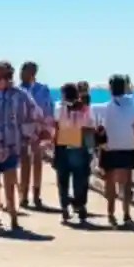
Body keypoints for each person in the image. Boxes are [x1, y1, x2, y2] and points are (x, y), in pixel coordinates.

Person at [0, 60, 42, 231]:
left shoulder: (19, 94)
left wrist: (27, 133)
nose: (4, 79)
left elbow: (35, 112)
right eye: (1, 76)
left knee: (10, 183)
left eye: (7, 76)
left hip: (11, 144)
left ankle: (13, 217)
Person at [96, 74, 134, 227]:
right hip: (128, 147)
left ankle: (111, 214)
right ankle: (127, 214)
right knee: (127, 182)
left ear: (110, 88)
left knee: (110, 181)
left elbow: (99, 129)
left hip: (110, 147)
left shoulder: (104, 108)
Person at [52, 83, 93, 223]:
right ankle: (80, 205)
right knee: (80, 178)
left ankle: (64, 207)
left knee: (63, 179)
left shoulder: (58, 108)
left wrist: (54, 147)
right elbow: (89, 128)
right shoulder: (85, 108)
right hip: (78, 143)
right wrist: (91, 149)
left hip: (62, 144)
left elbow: (55, 128)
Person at [18, 61, 52, 210]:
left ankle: (36, 194)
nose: (22, 74)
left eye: (25, 71)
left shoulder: (42, 89)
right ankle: (23, 195)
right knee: (24, 161)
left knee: (37, 161)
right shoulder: (17, 90)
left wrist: (47, 129)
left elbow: (48, 108)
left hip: (38, 129)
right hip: (22, 130)